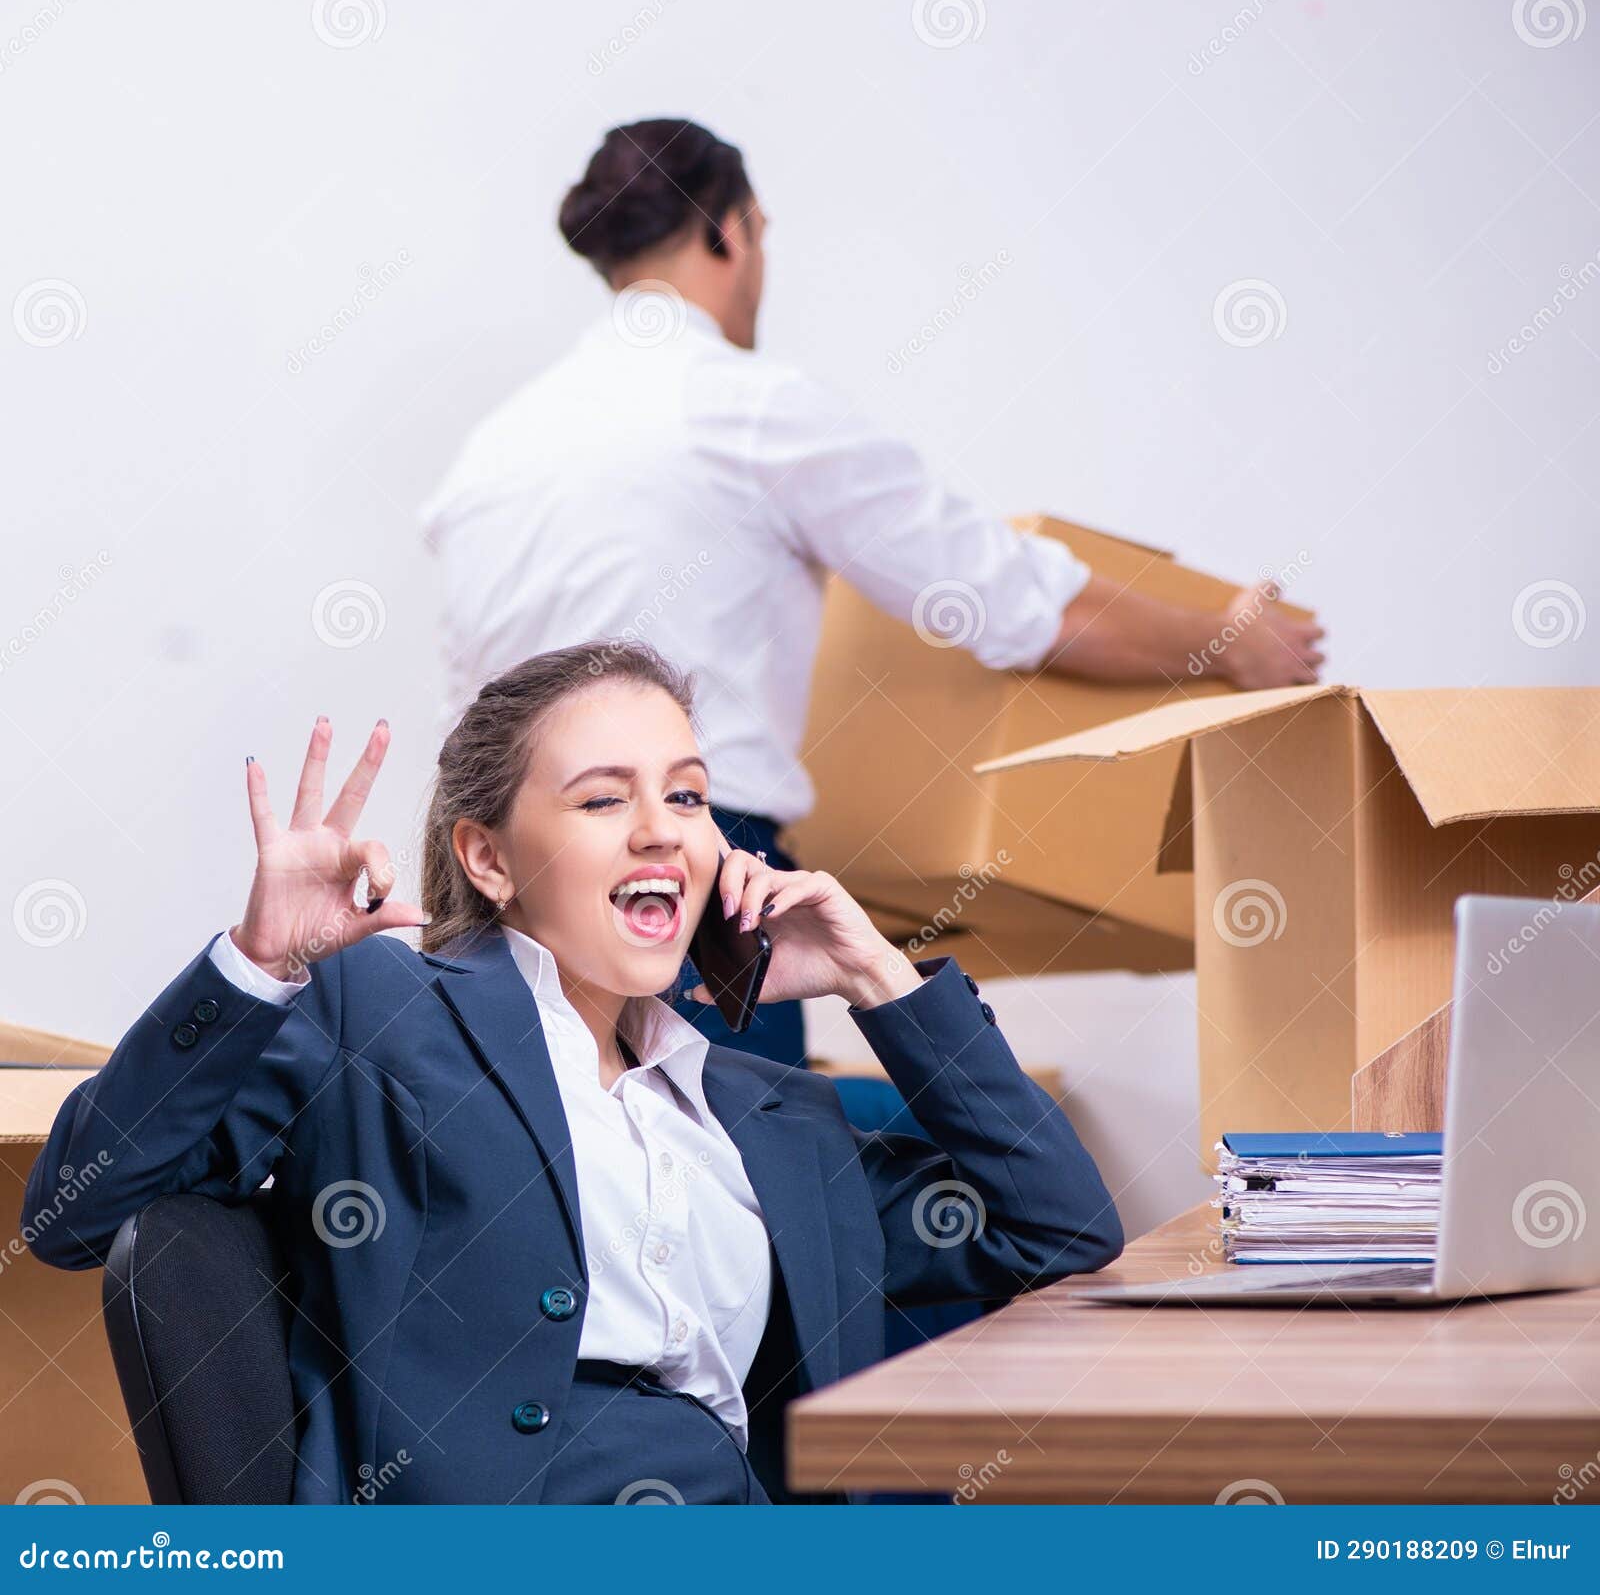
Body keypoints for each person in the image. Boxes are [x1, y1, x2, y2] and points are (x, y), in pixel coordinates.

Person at [20, 641, 1123, 1506]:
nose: (660, 832)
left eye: (687, 798)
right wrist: (259, 968)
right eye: (604, 800)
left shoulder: (772, 1116)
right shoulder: (381, 1012)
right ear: (488, 858)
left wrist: (881, 980)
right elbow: (75, 1212)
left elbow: (1058, 1229)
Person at [419, 117, 1327, 1075]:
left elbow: (472, 714)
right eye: (760, 233)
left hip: (509, 889)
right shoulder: (749, 408)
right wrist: (1223, 640)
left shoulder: (492, 452)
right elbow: (1000, 596)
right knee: (735, 1153)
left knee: (552, 1152)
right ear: (729, 232)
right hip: (690, 870)